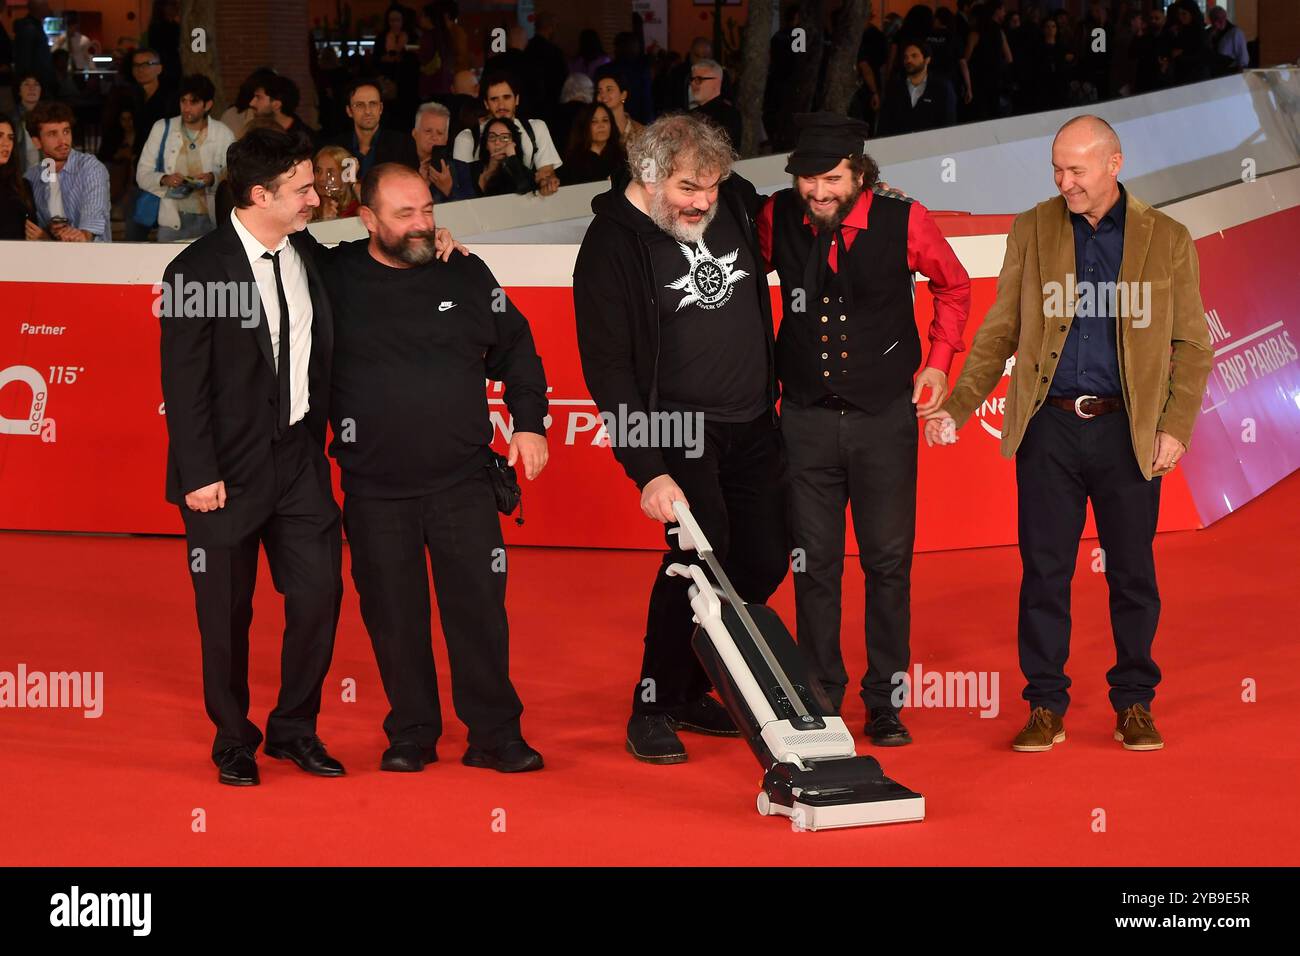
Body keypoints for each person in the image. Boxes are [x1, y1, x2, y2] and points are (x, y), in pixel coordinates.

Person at [925, 116, 1213, 753]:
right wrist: (961, 403)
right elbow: (1001, 329)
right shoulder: (1032, 227)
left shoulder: (1167, 238)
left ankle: (1134, 702)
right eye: (1056, 169)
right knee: (1044, 573)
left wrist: (1175, 427)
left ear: (1114, 162)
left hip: (1127, 432)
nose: (1064, 182)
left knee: (1133, 574)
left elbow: (1191, 344)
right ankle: (1045, 705)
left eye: (1076, 170)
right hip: (1049, 429)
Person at [574, 113, 788, 764]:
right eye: (691, 188)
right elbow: (608, 372)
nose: (704, 202)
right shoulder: (609, 247)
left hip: (754, 419)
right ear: (648, 173)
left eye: (714, 188)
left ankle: (695, 682)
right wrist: (648, 469)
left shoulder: (736, 202)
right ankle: (655, 703)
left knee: (766, 558)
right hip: (679, 431)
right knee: (698, 560)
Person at [326, 162, 548, 774]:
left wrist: (529, 422)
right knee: (394, 618)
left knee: (479, 614)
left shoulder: (467, 271)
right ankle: (412, 733)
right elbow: (261, 234)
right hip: (375, 490)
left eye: (428, 210)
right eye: (405, 214)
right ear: (366, 218)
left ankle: (496, 735)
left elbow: (519, 351)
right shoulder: (333, 274)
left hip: (463, 483)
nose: (423, 224)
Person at [757, 113, 970, 744]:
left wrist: (936, 366)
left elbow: (954, 287)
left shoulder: (906, 220)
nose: (818, 192)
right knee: (813, 564)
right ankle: (820, 699)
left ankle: (885, 701)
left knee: (887, 562)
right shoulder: (775, 218)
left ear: (859, 174)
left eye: (831, 179)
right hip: (803, 419)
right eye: (807, 180)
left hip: (884, 420)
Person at [158, 125, 344, 787]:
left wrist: (430, 243)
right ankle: (233, 738)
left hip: (298, 460)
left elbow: (366, 264)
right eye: (301, 189)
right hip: (225, 474)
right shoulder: (194, 271)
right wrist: (199, 473)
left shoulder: (307, 254)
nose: (314, 197)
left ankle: (294, 728)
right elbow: (183, 387)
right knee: (226, 615)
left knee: (320, 594)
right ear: (261, 194)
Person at [135, 73, 235, 242]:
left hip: (210, 220)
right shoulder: (162, 128)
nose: (187, 107)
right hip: (171, 219)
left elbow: (235, 176)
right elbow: (142, 174)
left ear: (208, 104)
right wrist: (165, 179)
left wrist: (213, 178)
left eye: (194, 102)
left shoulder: (222, 133)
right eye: (184, 101)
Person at [452, 72, 562, 196]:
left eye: (506, 97)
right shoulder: (468, 138)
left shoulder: (536, 128)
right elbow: (463, 188)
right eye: (494, 99)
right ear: (486, 104)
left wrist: (547, 183)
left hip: (527, 206)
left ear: (517, 99)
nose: (501, 105)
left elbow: (546, 173)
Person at [23, 100, 111, 242]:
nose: (62, 141)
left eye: (66, 131)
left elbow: (93, 217)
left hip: (92, 258)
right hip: (49, 259)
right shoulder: (31, 177)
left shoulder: (90, 167)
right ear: (37, 142)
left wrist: (83, 235)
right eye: (52, 134)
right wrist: (46, 239)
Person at [326, 79, 418, 178]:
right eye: (360, 105)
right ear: (349, 111)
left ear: (381, 108)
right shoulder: (334, 148)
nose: (368, 111)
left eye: (373, 104)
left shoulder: (403, 145)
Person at [878, 39, 958, 136]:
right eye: (906, 57)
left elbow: (948, 122)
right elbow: (884, 122)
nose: (908, 60)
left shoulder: (942, 88)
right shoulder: (894, 87)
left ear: (927, 60)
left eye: (914, 56)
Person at [412, 100, 473, 202]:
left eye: (439, 133)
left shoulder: (460, 169)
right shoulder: (400, 169)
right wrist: (421, 186)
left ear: (446, 139)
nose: (434, 137)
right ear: (414, 133)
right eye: (428, 131)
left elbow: (473, 209)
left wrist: (449, 189)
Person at [559, 102, 624, 186]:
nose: (601, 126)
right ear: (584, 126)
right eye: (594, 121)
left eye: (605, 120)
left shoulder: (621, 156)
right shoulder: (572, 162)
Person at [687, 59, 741, 151]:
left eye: (699, 79)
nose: (692, 84)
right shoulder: (688, 115)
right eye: (692, 79)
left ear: (716, 82)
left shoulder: (729, 115)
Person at [471, 116, 533, 196]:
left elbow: (525, 189)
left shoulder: (522, 173)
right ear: (486, 144)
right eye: (492, 137)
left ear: (514, 143)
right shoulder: (471, 169)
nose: (497, 142)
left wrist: (511, 156)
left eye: (504, 137)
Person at [0, 116, 37, 239]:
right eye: (0, 136)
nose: (6, 144)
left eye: (10, 138)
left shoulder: (22, 186)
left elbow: (33, 231)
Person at [311, 145, 360, 221]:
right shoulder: (306, 207)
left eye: (330, 172)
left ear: (345, 174)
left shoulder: (356, 209)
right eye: (318, 170)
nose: (321, 178)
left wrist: (353, 181)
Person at [594, 70, 643, 146]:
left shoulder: (640, 132)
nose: (603, 95)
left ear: (623, 95)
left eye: (609, 89)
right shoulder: (593, 130)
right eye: (599, 91)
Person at [10, 72, 43, 174]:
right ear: (19, 91)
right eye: (26, 84)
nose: (32, 88)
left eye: (36, 84)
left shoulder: (49, 117)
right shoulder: (12, 119)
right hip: (20, 177)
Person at [1208, 5, 1249, 75]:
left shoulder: (1235, 32)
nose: (1221, 21)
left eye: (1223, 17)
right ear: (1211, 20)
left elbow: (1243, 58)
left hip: (1230, 72)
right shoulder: (1209, 32)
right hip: (1213, 72)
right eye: (1217, 18)